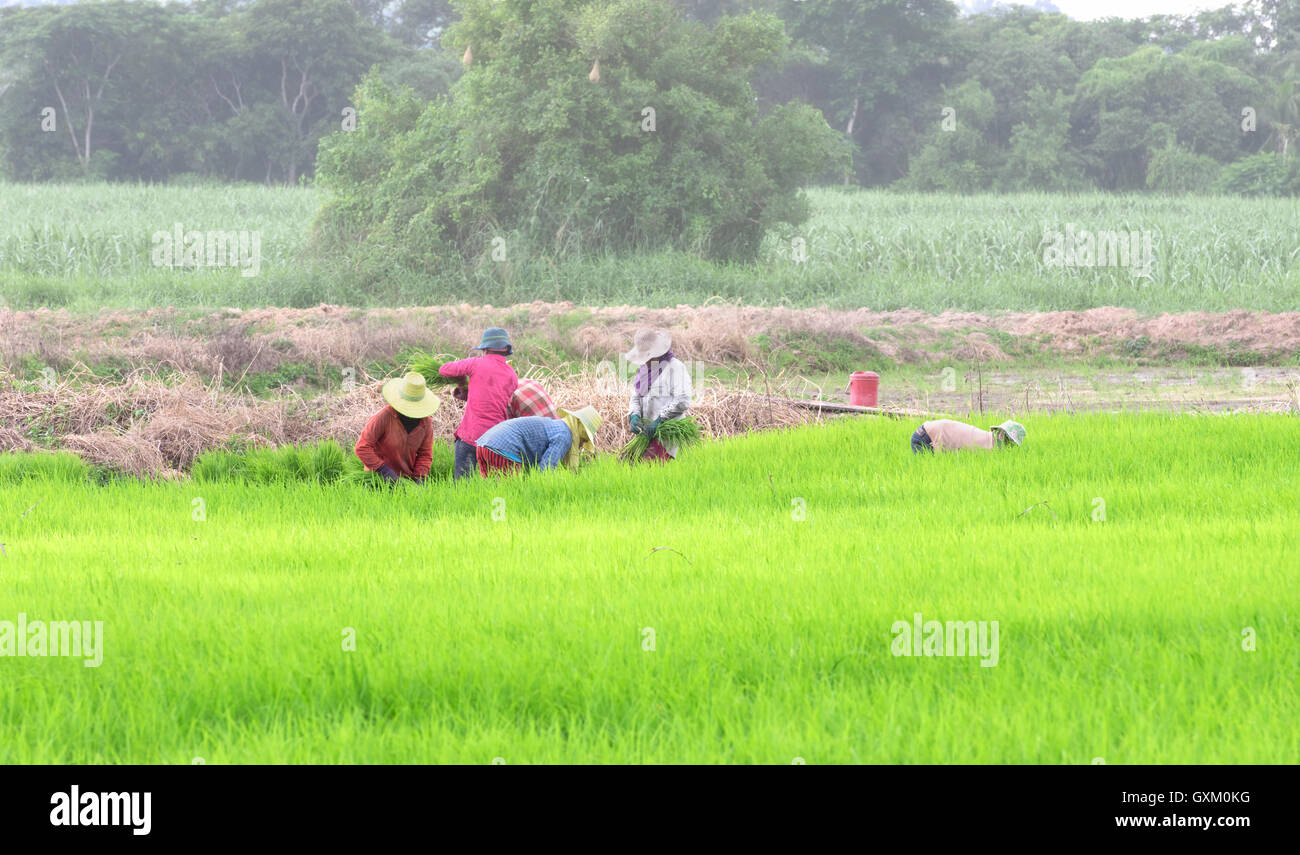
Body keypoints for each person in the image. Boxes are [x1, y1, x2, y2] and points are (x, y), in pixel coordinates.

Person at [438, 327, 519, 480]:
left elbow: (444, 370)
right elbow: (494, 399)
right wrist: (468, 393)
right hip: (496, 440)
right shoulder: (512, 375)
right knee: (493, 486)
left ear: (486, 349)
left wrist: (461, 380)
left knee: (462, 487)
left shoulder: (475, 364)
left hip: (471, 436)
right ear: (506, 350)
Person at [354, 372, 441, 482]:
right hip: (378, 477)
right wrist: (384, 470)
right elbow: (362, 447)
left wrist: (419, 477)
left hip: (405, 479)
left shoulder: (425, 423)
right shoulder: (385, 416)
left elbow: (425, 454)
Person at [624, 328, 692, 462]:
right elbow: (636, 397)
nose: (646, 360)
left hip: (666, 436)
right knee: (627, 464)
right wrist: (634, 415)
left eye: (648, 356)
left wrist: (659, 420)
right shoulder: (644, 370)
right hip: (646, 434)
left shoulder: (675, 368)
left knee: (648, 470)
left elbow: (682, 400)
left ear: (658, 353)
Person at [474, 406, 602, 476]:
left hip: (483, 445)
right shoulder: (564, 435)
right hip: (504, 450)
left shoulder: (556, 426)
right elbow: (545, 470)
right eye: (583, 440)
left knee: (493, 492)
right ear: (580, 431)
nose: (580, 445)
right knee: (512, 494)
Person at [911, 419, 1026, 453]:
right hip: (926, 437)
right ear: (1002, 436)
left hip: (924, 432)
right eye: (1010, 444)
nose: (1010, 448)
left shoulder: (986, 438)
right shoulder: (987, 447)